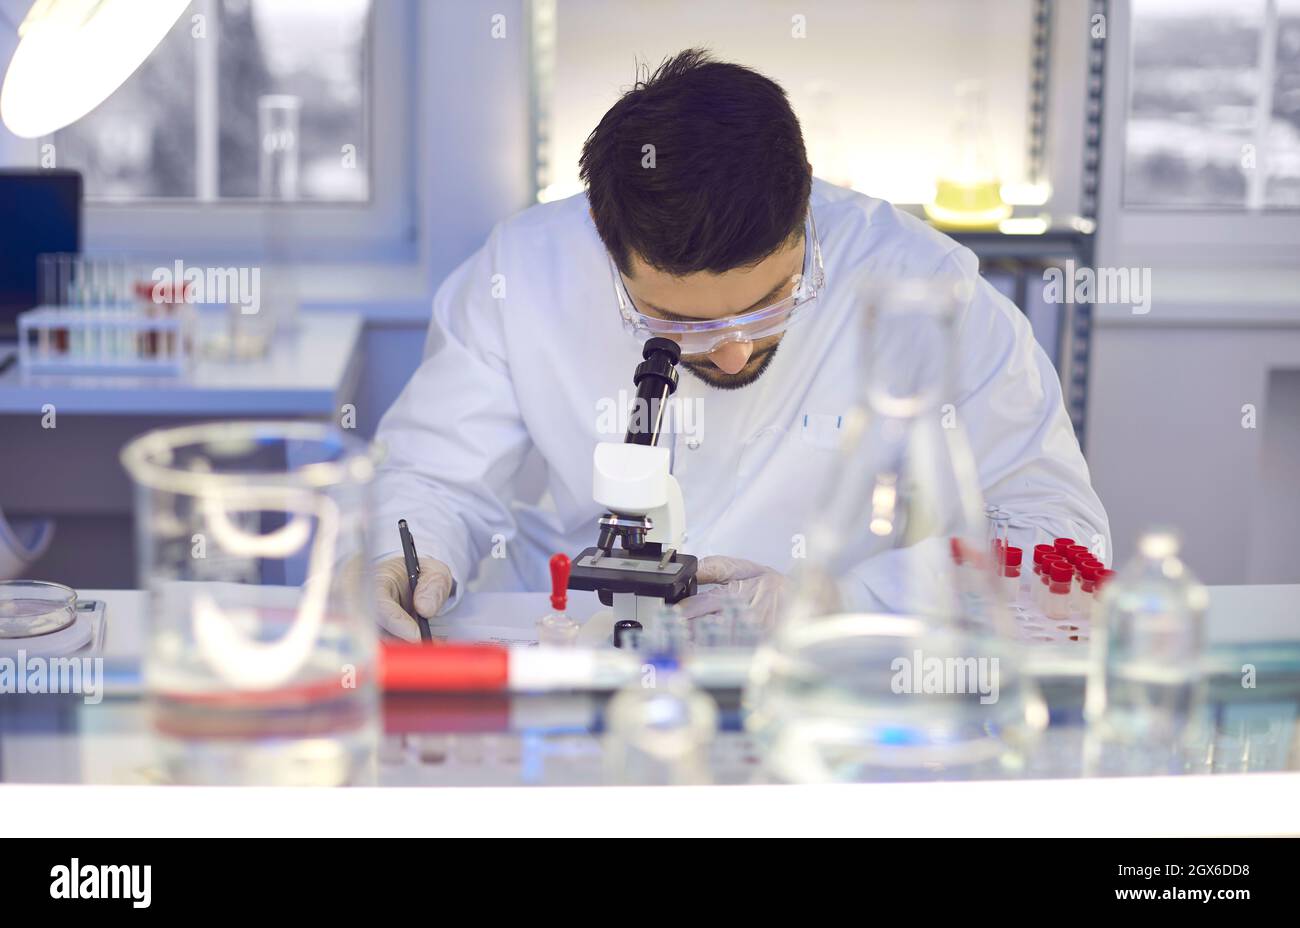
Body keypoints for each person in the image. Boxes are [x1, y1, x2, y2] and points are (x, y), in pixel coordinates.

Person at [372, 49, 1109, 640]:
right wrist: (406, 558)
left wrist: (834, 600)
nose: (729, 353)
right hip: (584, 638)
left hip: (829, 669)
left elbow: (1053, 535)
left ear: (805, 206)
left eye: (766, 307)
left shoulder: (924, 285)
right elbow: (435, 478)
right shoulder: (524, 270)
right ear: (604, 233)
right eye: (677, 322)